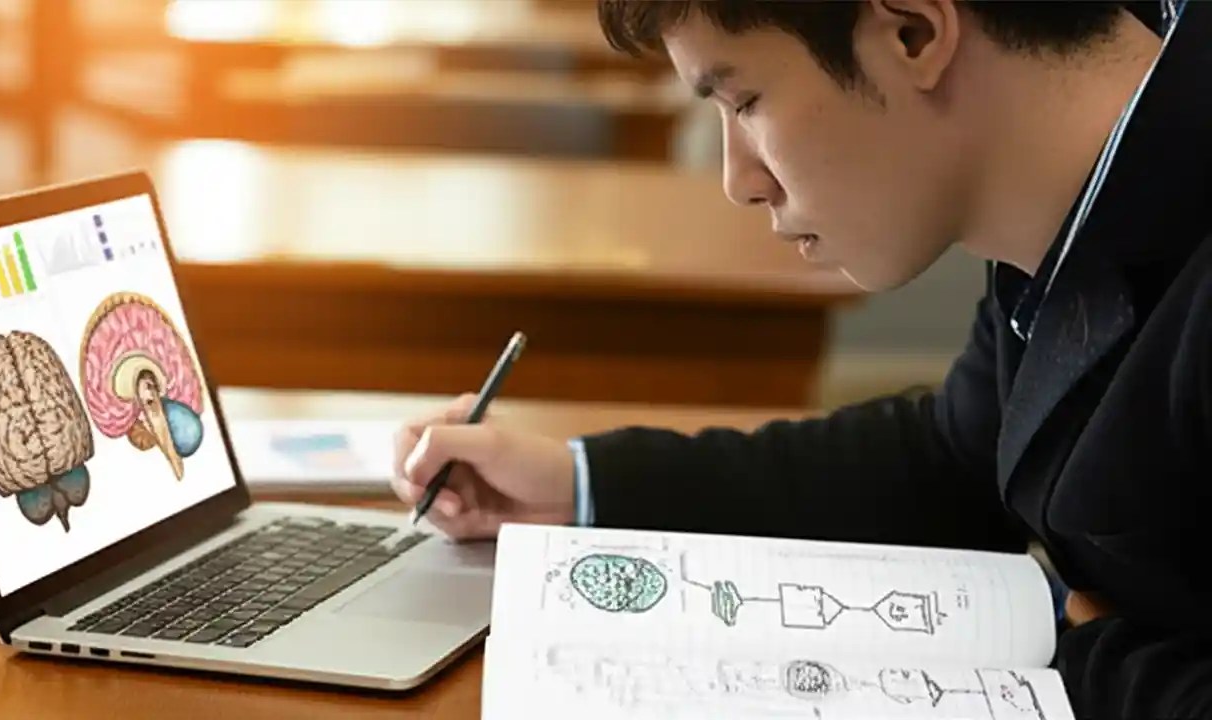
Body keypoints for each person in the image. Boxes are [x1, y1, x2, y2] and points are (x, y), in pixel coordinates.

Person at [390, 1, 1212, 716]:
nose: (738, 180)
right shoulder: (1077, 195)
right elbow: (952, 459)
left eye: (744, 99)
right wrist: (579, 482)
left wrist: (1082, 651)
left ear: (915, 32)